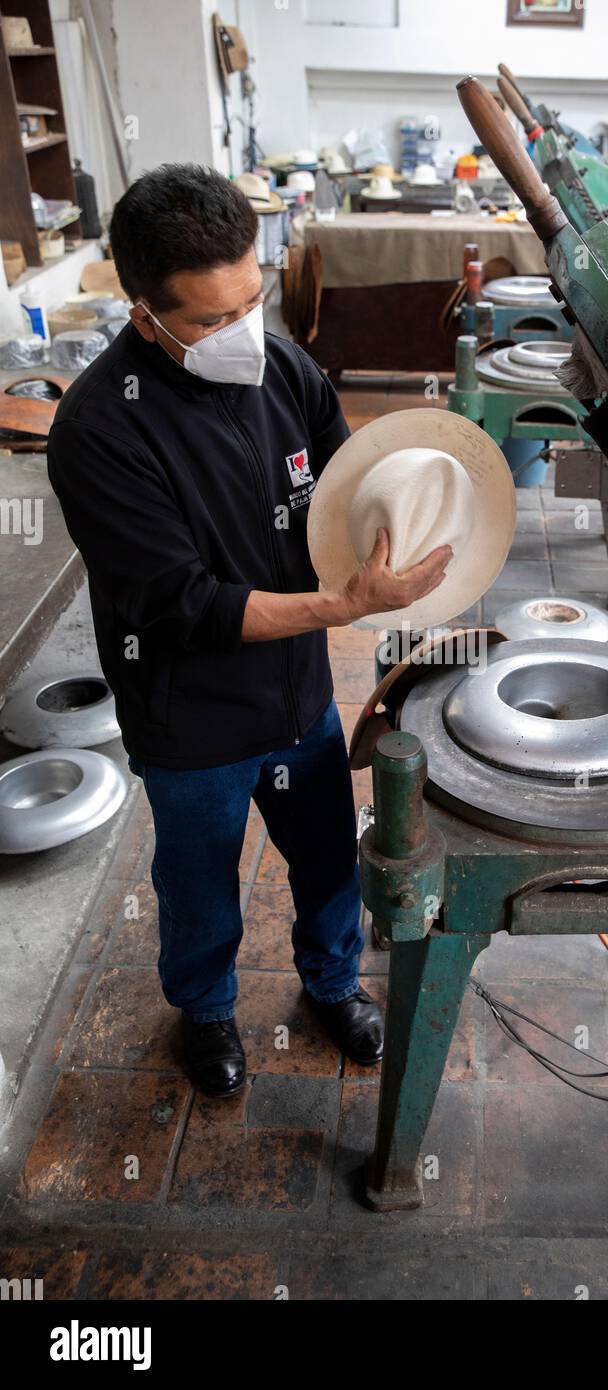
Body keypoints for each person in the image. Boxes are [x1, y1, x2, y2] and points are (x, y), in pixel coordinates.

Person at [47, 163, 451, 1097]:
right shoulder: (101, 430)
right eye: (208, 320)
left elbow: (346, 485)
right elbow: (180, 604)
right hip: (191, 716)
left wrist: (414, 511)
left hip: (297, 696)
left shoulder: (286, 368)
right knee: (199, 881)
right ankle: (207, 1007)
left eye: (251, 305)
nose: (240, 336)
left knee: (325, 857)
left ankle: (332, 983)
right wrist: (343, 609)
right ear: (143, 311)